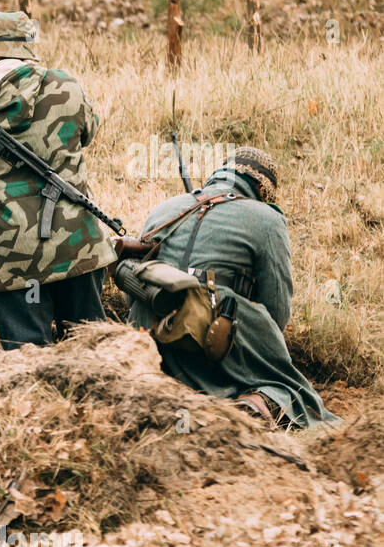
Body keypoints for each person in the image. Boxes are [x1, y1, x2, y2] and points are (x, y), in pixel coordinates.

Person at [0, 11, 115, 350]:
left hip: (8, 256)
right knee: (93, 350)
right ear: (30, 51)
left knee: (27, 359)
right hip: (76, 245)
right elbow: (89, 131)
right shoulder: (66, 86)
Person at [126, 147, 336, 429]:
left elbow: (135, 284)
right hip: (214, 336)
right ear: (262, 188)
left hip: (149, 330)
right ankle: (248, 409)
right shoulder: (267, 219)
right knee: (292, 392)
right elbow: (276, 310)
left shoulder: (164, 209)